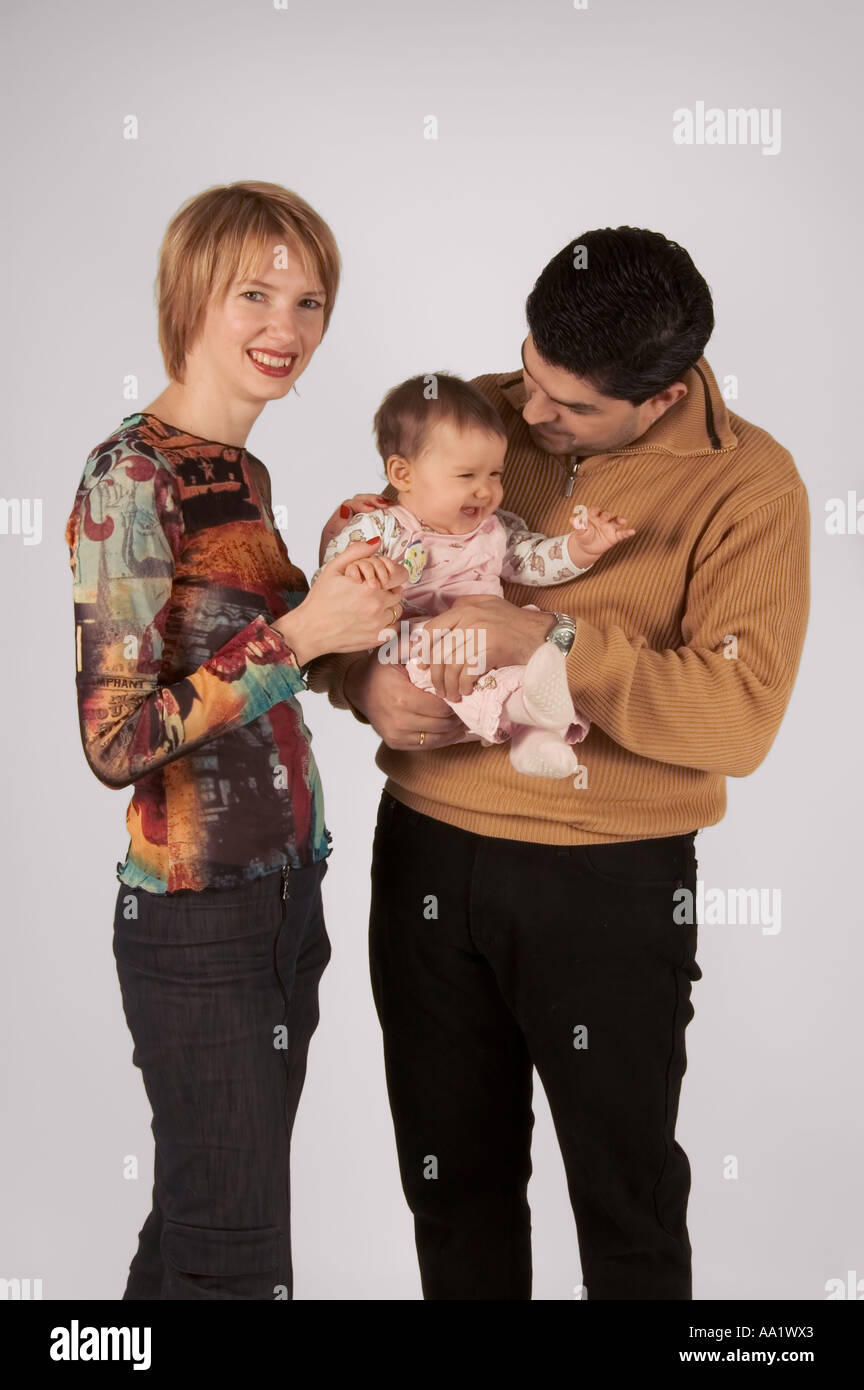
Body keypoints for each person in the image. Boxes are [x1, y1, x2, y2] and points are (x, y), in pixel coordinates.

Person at [308, 226, 811, 1300]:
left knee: (625, 1206)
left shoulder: (751, 487)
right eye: (531, 374)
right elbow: (366, 592)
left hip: (609, 882)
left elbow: (738, 721)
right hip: (430, 860)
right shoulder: (468, 418)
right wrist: (362, 687)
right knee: (452, 1191)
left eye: (569, 408)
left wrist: (551, 647)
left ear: (663, 395)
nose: (529, 417)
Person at [64, 180, 406, 1300]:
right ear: (190, 295)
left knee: (199, 1229)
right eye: (253, 293)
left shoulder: (242, 473)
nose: (286, 327)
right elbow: (117, 738)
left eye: (310, 301)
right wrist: (299, 629)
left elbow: (270, 663)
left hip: (283, 900)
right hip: (195, 917)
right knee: (239, 1260)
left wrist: (353, 626)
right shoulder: (134, 476)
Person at [314, 371, 636, 777]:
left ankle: (533, 740)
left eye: (495, 474)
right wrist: (361, 570)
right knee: (464, 676)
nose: (485, 491)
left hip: (488, 646)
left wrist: (581, 547)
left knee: (528, 670)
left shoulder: (495, 528)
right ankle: (525, 721)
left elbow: (531, 560)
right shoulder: (382, 528)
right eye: (467, 476)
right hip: (420, 646)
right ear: (402, 475)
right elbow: (329, 583)